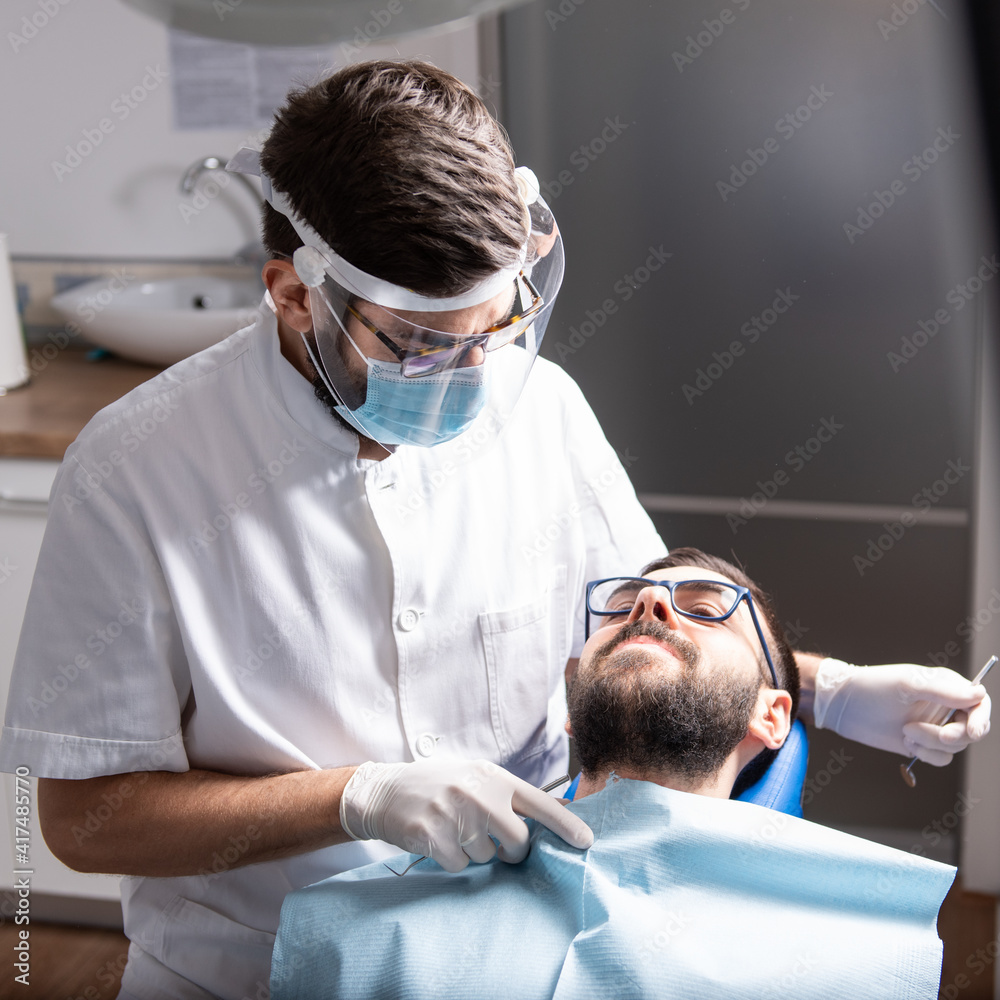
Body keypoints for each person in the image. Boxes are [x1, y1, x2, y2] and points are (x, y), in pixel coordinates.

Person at [0, 61, 987, 999]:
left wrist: (830, 689)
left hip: (522, 951)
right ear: (295, 293)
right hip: (251, 971)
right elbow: (85, 819)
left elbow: (637, 631)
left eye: (496, 328)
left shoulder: (540, 407)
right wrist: (355, 798)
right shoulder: (134, 470)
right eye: (422, 346)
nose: (474, 377)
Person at [268, 549, 956, 1000]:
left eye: (707, 608)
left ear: (772, 715)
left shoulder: (855, 964)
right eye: (625, 602)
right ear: (571, 702)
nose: (648, 608)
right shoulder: (355, 938)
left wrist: (832, 688)